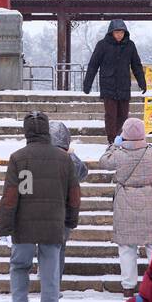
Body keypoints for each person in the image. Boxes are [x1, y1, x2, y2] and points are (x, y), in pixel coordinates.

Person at [0, 112, 81, 302]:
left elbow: (11, 196)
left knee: (19, 267)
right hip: (53, 224)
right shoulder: (63, 159)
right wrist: (70, 221)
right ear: (46, 131)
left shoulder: (18, 158)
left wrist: (5, 228)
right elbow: (74, 194)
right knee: (50, 273)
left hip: (23, 225)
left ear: (26, 132)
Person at [97, 117, 152, 297]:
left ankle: (128, 286)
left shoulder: (119, 154)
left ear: (124, 135)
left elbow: (104, 161)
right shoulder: (151, 152)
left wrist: (114, 144)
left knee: (127, 247)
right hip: (150, 202)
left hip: (125, 203)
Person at [83, 18, 147, 144]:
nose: (119, 35)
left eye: (122, 32)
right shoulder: (102, 45)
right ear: (111, 32)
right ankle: (111, 140)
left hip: (123, 84)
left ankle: (121, 138)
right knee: (111, 115)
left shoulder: (130, 45)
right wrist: (87, 84)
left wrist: (142, 82)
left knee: (123, 115)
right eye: (117, 32)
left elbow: (136, 65)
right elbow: (93, 65)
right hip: (108, 85)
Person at [49, 119, 88, 293]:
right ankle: (54, 283)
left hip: (42, 211)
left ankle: (48, 279)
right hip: (63, 212)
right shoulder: (69, 159)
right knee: (59, 249)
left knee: (46, 248)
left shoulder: (40, 155)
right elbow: (82, 172)